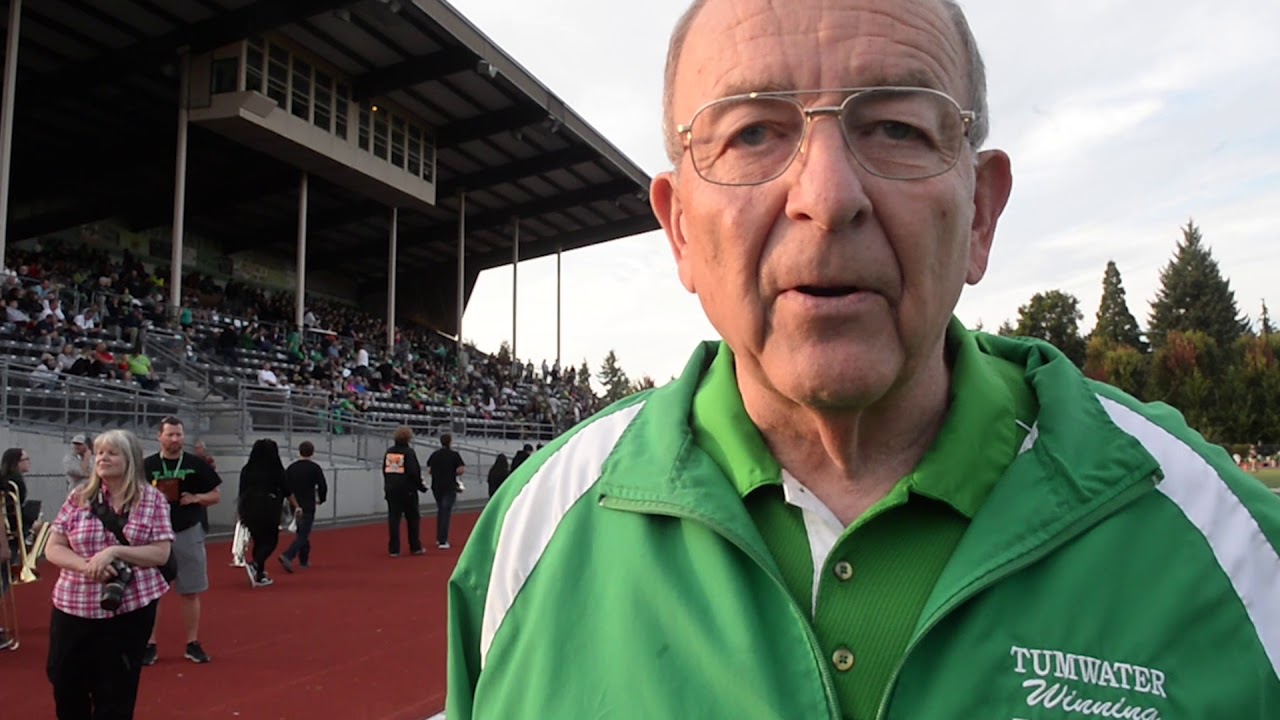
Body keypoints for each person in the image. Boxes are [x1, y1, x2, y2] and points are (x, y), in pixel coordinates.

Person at [445, 0, 1280, 717]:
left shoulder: (1234, 549)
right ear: (681, 229)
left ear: (980, 214)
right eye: (752, 134)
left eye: (896, 128)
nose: (828, 197)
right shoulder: (530, 534)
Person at [43, 429, 173, 719]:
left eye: (111, 453)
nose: (103, 458)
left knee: (115, 692)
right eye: (100, 452)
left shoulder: (152, 500)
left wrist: (115, 553)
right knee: (65, 683)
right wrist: (87, 565)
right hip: (73, 605)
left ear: (130, 460)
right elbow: (53, 547)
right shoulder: (79, 497)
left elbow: (161, 553)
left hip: (128, 608)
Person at [141, 416, 221, 665]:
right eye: (170, 434)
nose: (175, 439)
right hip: (154, 535)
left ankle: (192, 642)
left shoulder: (196, 464)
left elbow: (216, 495)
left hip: (187, 531)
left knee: (190, 591)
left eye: (179, 434)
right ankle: (149, 644)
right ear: (159, 437)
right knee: (151, 593)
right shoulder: (147, 465)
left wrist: (196, 498)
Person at [237, 439, 290, 588]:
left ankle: (260, 573)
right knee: (271, 541)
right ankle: (255, 565)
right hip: (269, 507)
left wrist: (240, 511)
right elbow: (286, 489)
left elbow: (241, 490)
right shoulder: (276, 469)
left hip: (249, 506)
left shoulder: (247, 469)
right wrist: (296, 506)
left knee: (258, 540)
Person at [279, 441, 327, 573]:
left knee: (302, 531)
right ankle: (289, 555)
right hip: (308, 503)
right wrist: (322, 499)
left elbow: (285, 486)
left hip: (294, 503)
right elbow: (322, 485)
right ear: (312, 452)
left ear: (299, 451)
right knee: (304, 533)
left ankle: (304, 559)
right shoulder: (315, 468)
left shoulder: (291, 468)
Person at [382, 426, 425, 557]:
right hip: (407, 490)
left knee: (394, 519)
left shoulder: (390, 452)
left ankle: (394, 549)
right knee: (412, 518)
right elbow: (413, 472)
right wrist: (421, 486)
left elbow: (385, 470)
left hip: (392, 489)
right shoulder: (409, 452)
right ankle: (415, 547)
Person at [425, 434, 464, 550]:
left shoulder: (435, 455)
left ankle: (439, 537)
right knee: (446, 512)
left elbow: (430, 470)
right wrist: (453, 473)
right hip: (449, 486)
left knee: (440, 510)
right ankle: (443, 540)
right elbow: (461, 470)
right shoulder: (454, 455)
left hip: (437, 486)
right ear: (450, 442)